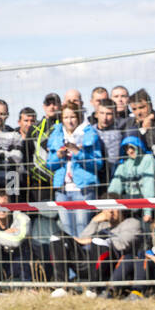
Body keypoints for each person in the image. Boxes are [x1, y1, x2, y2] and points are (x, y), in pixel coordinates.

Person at [46, 101, 105, 243]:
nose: (69, 121)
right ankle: (71, 264)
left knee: (82, 230)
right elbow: (50, 164)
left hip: (83, 189)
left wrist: (77, 152)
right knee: (67, 232)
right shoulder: (56, 135)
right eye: (66, 117)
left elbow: (98, 163)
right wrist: (58, 156)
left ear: (78, 117)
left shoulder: (89, 134)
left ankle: (85, 263)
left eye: (72, 117)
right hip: (62, 190)